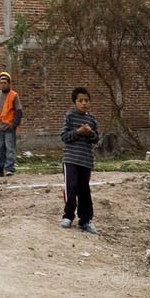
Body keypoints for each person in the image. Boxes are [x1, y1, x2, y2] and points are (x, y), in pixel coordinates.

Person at [60, 86, 99, 234]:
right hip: (70, 159)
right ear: (74, 102)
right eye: (80, 101)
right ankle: (68, 216)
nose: (84, 103)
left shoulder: (92, 119)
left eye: (86, 100)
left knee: (84, 190)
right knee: (72, 186)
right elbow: (64, 136)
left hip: (85, 160)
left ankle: (85, 220)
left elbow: (96, 139)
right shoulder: (69, 116)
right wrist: (78, 132)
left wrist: (90, 133)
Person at [0, 71, 23, 177]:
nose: (3, 85)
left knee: (10, 149)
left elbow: (19, 112)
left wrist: (13, 125)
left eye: (5, 83)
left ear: (9, 83)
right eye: (1, 82)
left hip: (9, 128)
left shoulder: (14, 95)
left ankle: (9, 169)